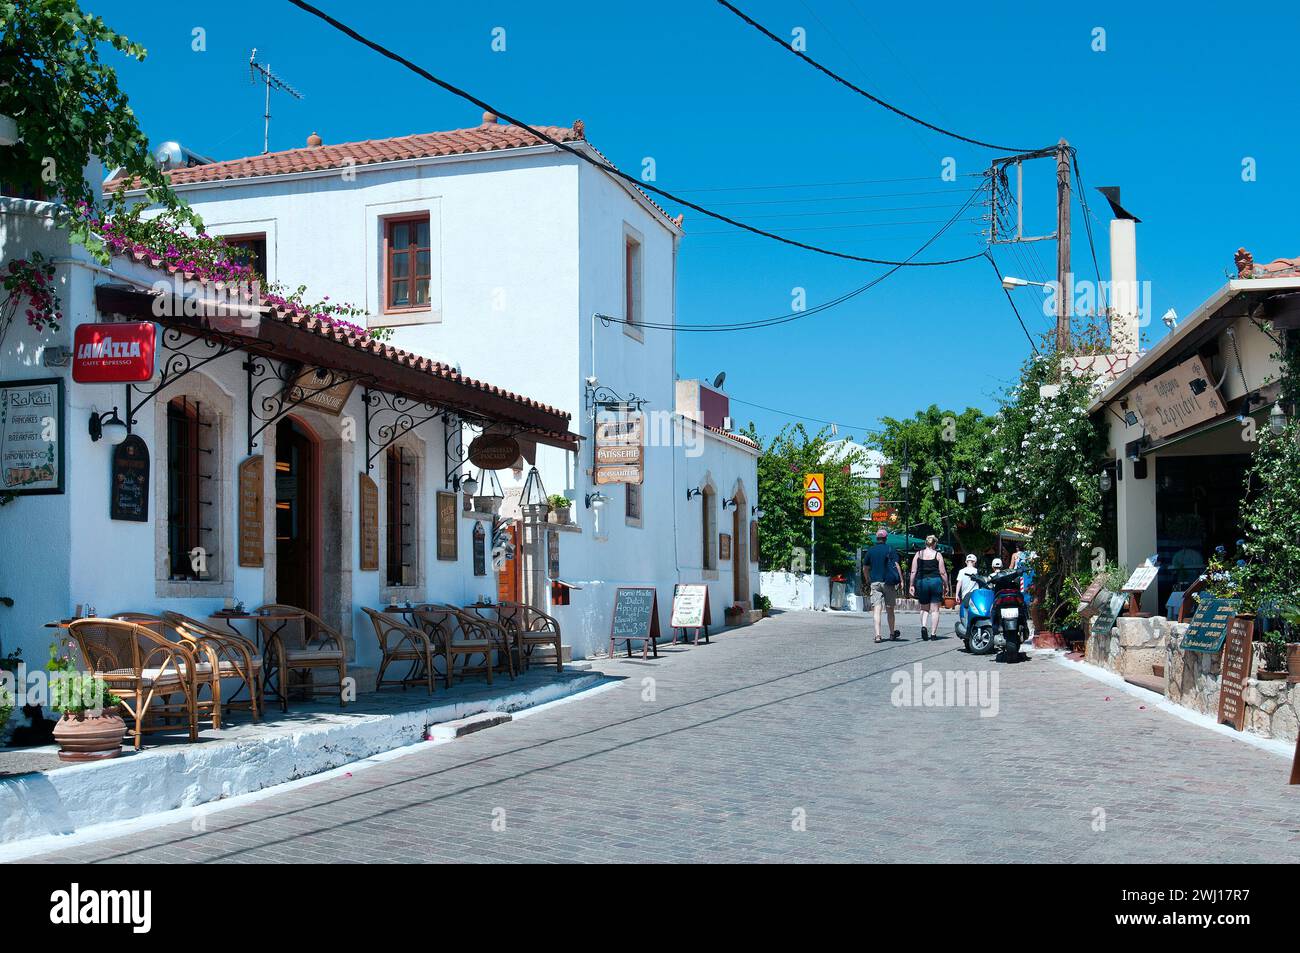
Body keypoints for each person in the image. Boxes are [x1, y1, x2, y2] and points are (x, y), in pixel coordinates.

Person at [863, 528, 902, 643]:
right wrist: (901, 580)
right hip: (888, 582)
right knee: (890, 609)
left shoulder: (871, 550)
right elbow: (896, 565)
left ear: (877, 538)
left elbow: (865, 568)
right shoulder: (890, 549)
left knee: (877, 609)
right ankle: (891, 634)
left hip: (875, 582)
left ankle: (878, 635)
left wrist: (867, 579)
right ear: (886, 538)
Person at [909, 534, 948, 641]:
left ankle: (924, 626)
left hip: (922, 583)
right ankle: (933, 634)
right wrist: (946, 585)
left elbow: (913, 571)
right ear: (934, 543)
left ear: (926, 543)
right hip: (935, 582)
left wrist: (911, 585)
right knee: (935, 610)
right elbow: (943, 572)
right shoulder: (938, 555)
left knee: (924, 608)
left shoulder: (918, 554)